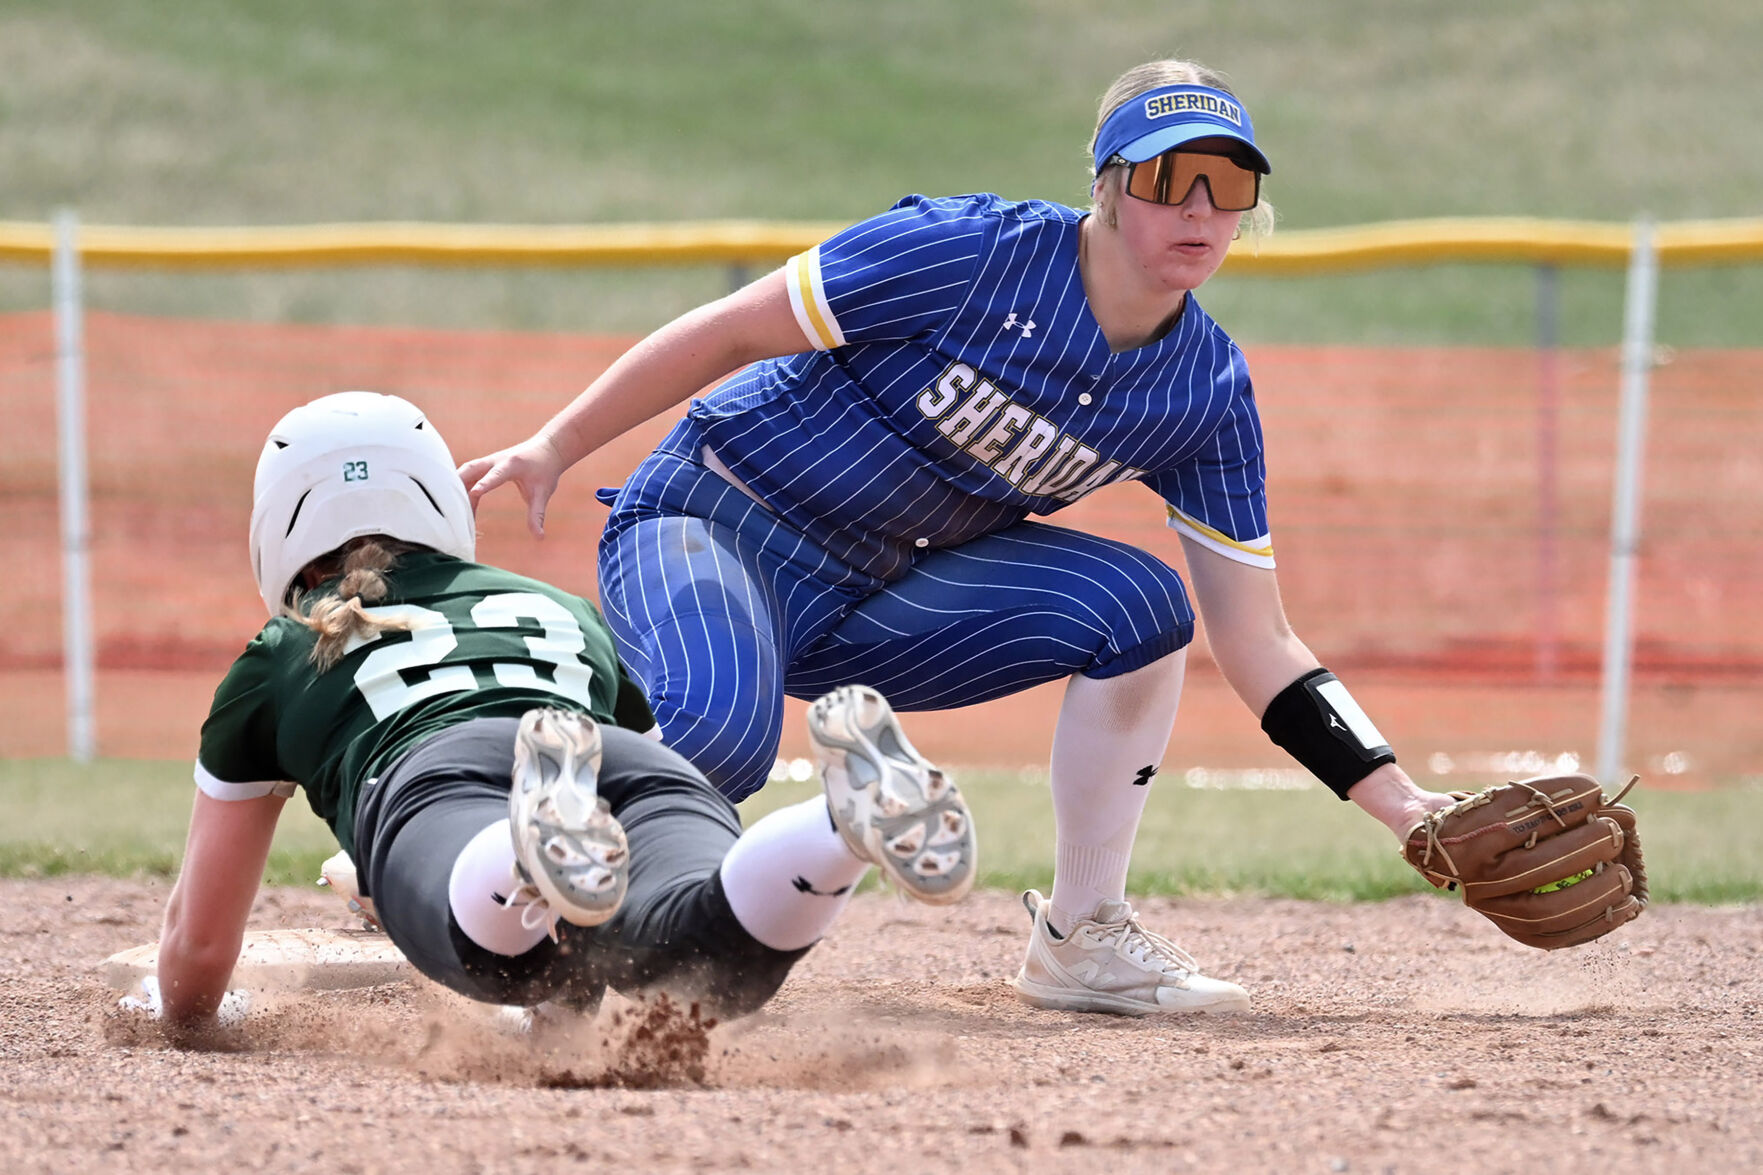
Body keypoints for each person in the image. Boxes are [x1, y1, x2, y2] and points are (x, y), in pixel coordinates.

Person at [459, 58, 1456, 1017]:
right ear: (1108, 187)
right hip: (714, 522)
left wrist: (1405, 806)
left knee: (1142, 608)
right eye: (1167, 178)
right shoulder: (969, 252)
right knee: (717, 742)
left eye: (1227, 184)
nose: (1198, 208)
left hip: (878, 593)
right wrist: (556, 444)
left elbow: (1257, 636)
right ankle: (483, 902)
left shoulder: (1199, 389)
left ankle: (1083, 935)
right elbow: (735, 329)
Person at [137, 391, 976, 1038]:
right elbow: (646, 807)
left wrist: (174, 1013)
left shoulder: (283, 649)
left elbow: (199, 952)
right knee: (698, 963)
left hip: (438, 773)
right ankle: (839, 824)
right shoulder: (554, 605)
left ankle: (521, 846)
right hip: (624, 761)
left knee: (505, 960)